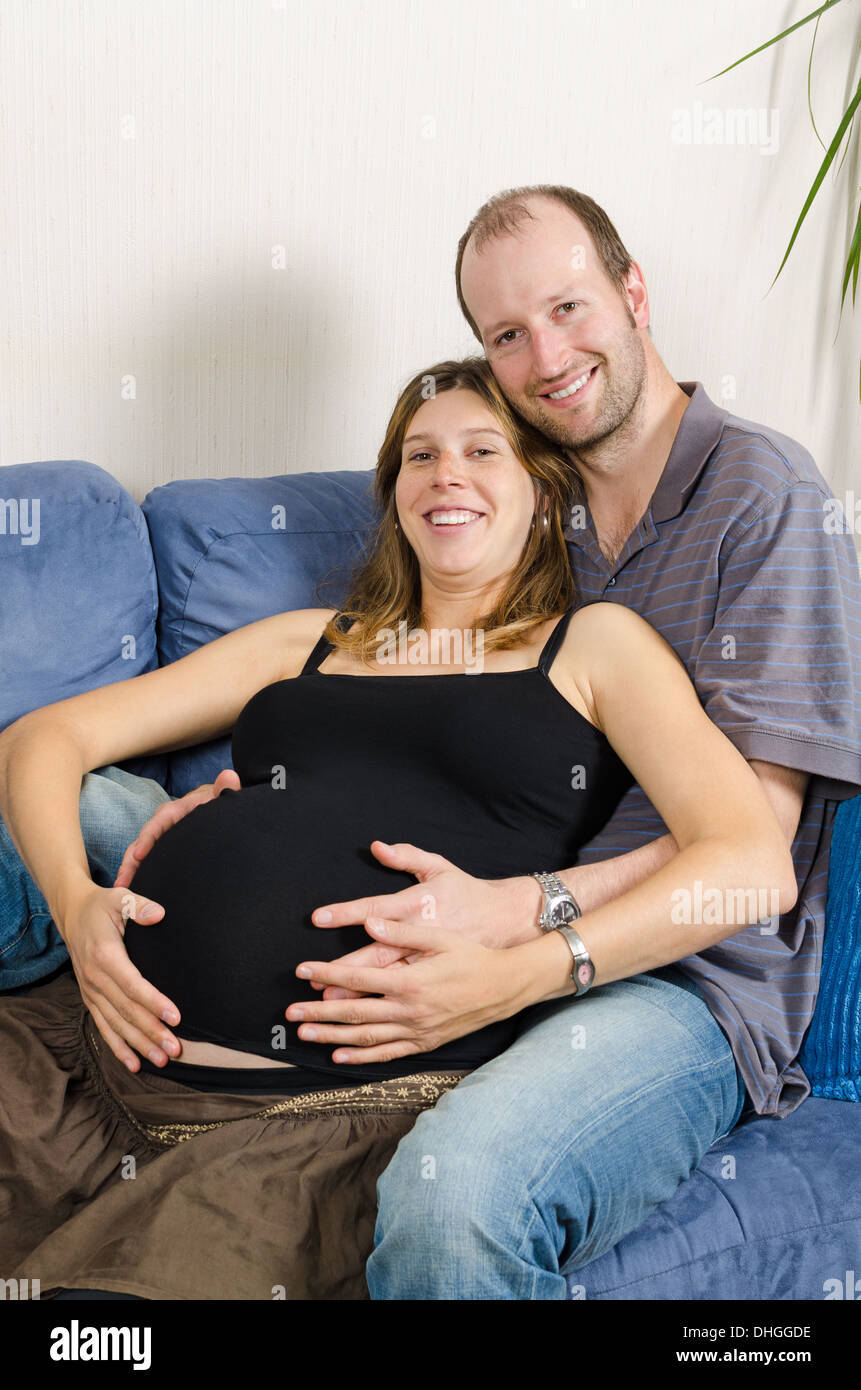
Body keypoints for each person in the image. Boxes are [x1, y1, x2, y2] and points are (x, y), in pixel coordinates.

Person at [2, 185, 860, 1300]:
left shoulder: (754, 504)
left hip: (684, 980)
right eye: (507, 334)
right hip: (425, 913)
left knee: (454, 1201)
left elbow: (752, 855)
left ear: (633, 291)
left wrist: (524, 928)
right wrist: (187, 844)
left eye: (568, 308)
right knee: (87, 805)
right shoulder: (511, 548)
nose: (544, 354)